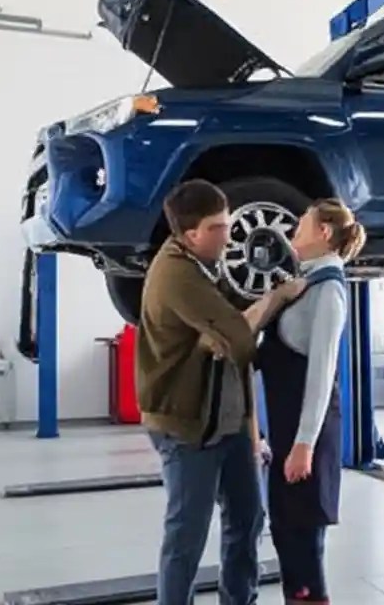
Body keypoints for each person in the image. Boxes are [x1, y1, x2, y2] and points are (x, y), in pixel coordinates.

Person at [136, 179, 305, 605]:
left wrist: (253, 433)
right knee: (186, 537)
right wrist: (278, 296)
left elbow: (233, 347)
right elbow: (242, 341)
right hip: (188, 427)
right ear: (190, 235)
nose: (230, 234)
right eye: (217, 227)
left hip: (226, 421)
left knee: (247, 519)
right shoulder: (176, 273)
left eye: (229, 222)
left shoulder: (206, 262)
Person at [254, 198, 367, 605]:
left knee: (303, 545)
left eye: (299, 226)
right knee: (287, 534)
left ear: (324, 233)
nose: (291, 234)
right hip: (288, 433)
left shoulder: (328, 292)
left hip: (307, 438)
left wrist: (304, 444)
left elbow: (322, 373)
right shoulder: (304, 286)